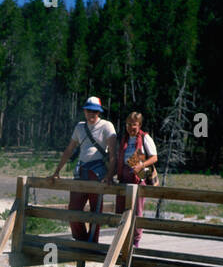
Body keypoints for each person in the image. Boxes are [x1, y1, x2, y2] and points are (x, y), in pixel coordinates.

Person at [50, 97, 117, 243]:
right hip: (81, 171)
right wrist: (57, 171)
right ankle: (82, 241)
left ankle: (92, 243)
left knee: (96, 211)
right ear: (84, 111)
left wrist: (109, 175)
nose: (91, 114)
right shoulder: (80, 127)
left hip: (98, 172)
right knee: (73, 210)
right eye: (88, 111)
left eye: (94, 111)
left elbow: (113, 153)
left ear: (99, 112)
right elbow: (69, 150)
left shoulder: (107, 126)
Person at [115, 111, 158, 245]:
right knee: (122, 211)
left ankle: (135, 243)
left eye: (133, 124)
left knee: (137, 212)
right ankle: (122, 241)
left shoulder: (145, 137)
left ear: (139, 125)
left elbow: (154, 157)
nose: (130, 127)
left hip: (139, 179)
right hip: (124, 179)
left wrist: (141, 165)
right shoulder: (124, 139)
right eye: (128, 124)